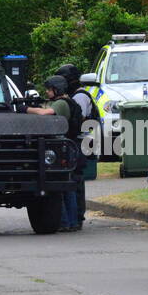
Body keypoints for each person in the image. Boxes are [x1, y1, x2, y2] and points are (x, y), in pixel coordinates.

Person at [27, 75, 81, 231]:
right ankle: (72, 222)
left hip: (63, 148)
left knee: (59, 188)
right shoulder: (70, 101)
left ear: (57, 89)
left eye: (49, 89)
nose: (47, 92)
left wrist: (26, 109)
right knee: (67, 188)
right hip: (69, 146)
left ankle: (65, 222)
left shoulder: (61, 103)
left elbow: (45, 113)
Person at [57, 64, 94, 228]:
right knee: (75, 178)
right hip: (79, 140)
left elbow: (81, 120)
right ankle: (76, 216)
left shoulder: (80, 96)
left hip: (80, 141)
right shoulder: (76, 95)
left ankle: (77, 216)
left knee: (76, 179)